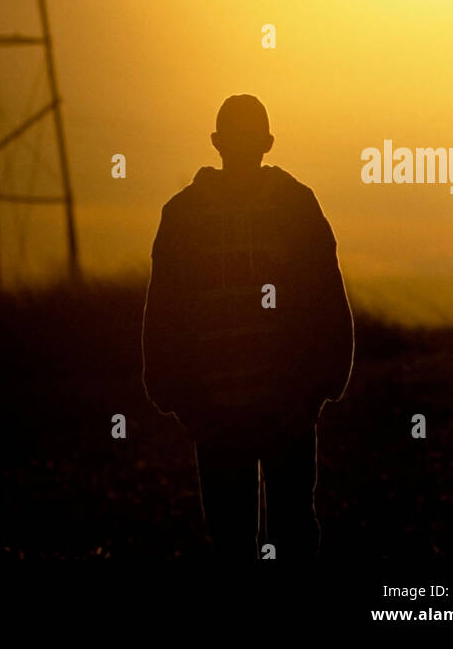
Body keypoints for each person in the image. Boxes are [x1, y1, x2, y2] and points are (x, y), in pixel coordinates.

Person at [141, 94, 354, 560]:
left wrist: (317, 389)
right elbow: (165, 314)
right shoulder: (185, 215)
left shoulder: (293, 207)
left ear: (265, 143)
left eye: (247, 139)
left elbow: (326, 301)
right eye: (236, 139)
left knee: (282, 532)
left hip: (282, 409)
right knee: (244, 537)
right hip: (220, 413)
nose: (241, 148)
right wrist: (181, 399)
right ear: (219, 143)